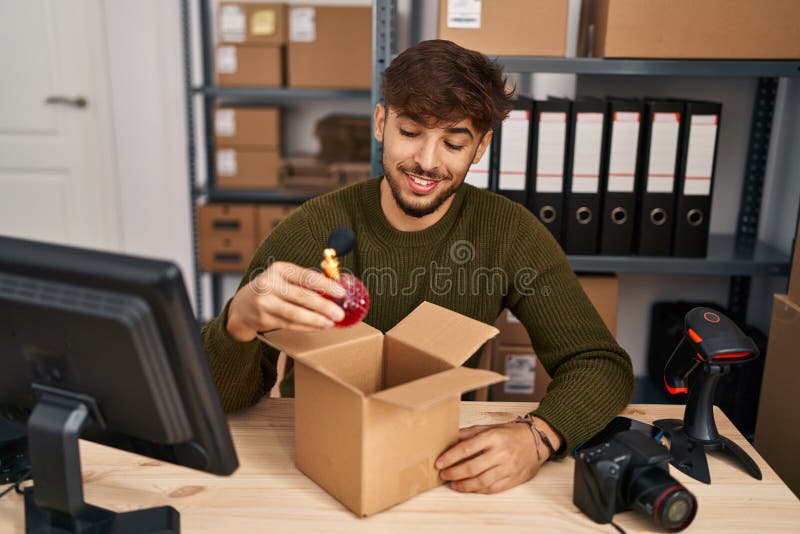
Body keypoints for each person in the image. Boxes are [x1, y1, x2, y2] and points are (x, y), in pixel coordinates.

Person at [202, 39, 633, 494]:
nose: (426, 163)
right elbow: (222, 397)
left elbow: (600, 363)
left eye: (453, 143)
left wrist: (539, 436)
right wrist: (237, 323)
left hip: (435, 460)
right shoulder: (314, 228)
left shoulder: (510, 234)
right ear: (380, 122)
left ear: (481, 147)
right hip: (313, 456)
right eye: (410, 133)